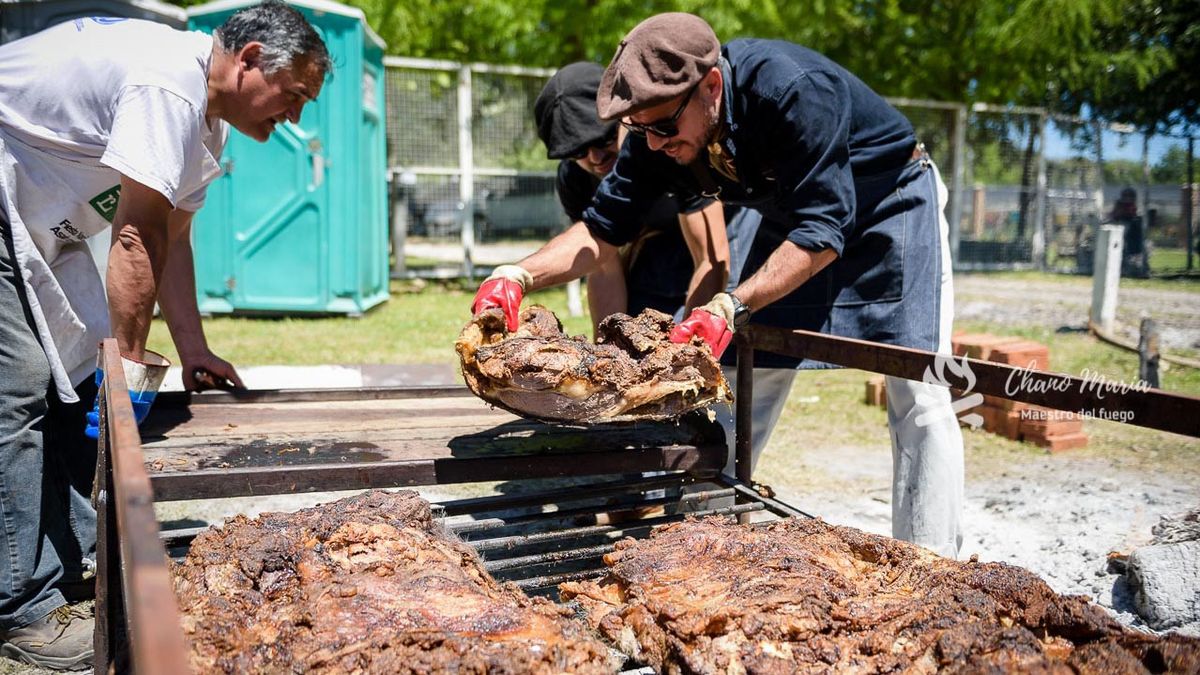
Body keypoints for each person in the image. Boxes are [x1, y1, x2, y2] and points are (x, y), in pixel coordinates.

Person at [472, 13, 964, 559]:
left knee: (917, 386)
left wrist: (731, 303)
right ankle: (703, 541)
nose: (653, 144)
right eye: (640, 130)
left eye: (662, 128)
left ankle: (933, 562)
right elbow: (601, 232)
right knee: (738, 379)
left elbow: (825, 230)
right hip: (795, 218)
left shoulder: (793, 89)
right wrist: (515, 275)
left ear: (711, 86)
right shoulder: (654, 130)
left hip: (889, 204)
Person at [0, 2, 328, 668]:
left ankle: (79, 558)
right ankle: (21, 609)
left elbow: (172, 238)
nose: (295, 117)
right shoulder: (166, 84)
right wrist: (126, 366)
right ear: (251, 57)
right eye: (293, 95)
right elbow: (135, 233)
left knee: (77, 376)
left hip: (38, 219)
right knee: (20, 387)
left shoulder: (205, 125)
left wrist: (192, 349)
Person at [532, 61, 728, 331]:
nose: (596, 159)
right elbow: (603, 267)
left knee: (719, 335)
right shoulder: (575, 179)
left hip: (722, 233)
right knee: (632, 337)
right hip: (651, 250)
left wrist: (691, 348)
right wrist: (606, 354)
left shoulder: (669, 149)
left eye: (603, 141)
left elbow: (711, 259)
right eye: (578, 152)